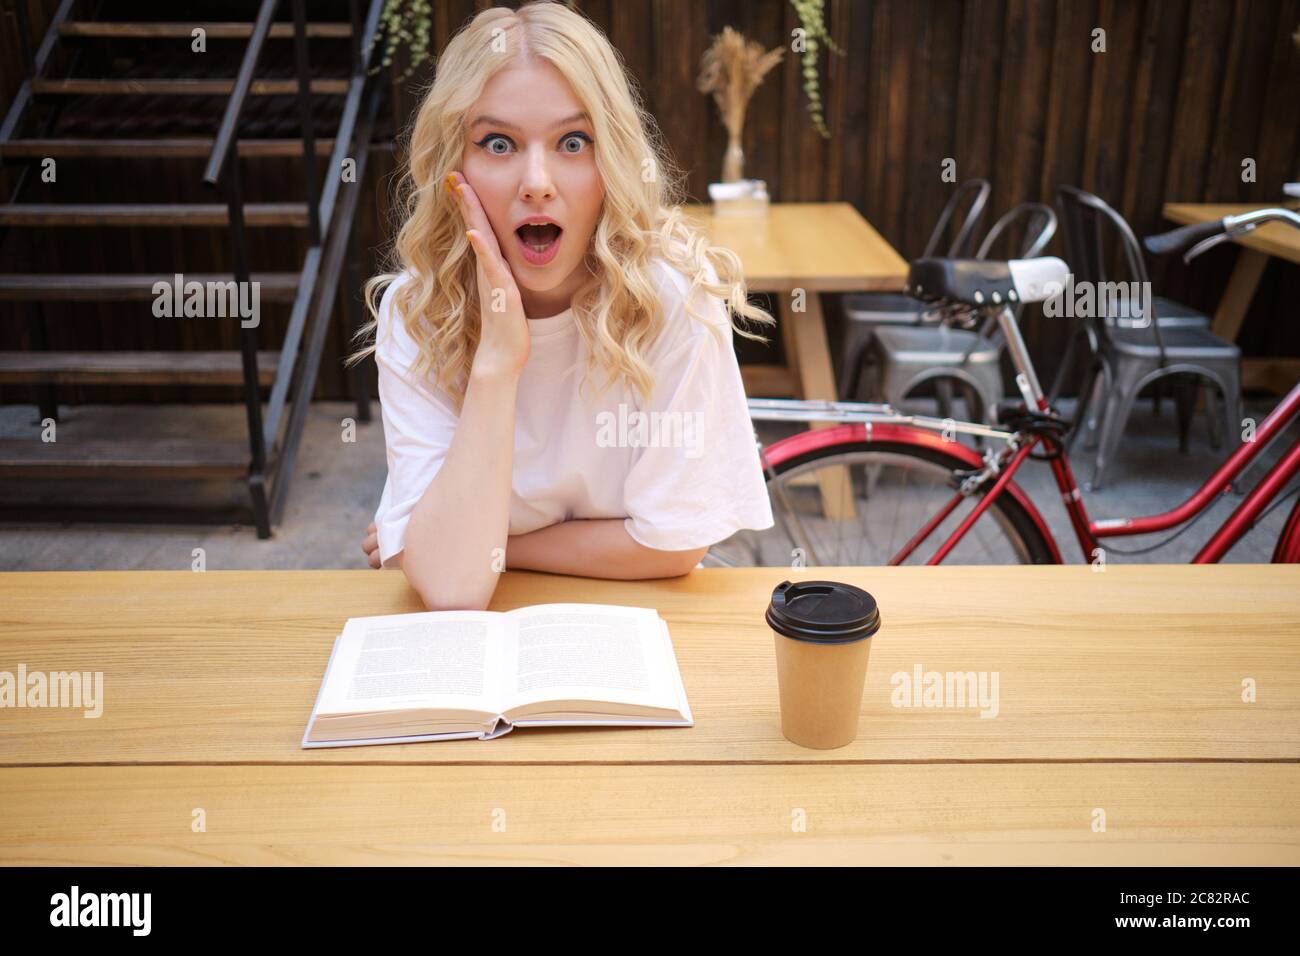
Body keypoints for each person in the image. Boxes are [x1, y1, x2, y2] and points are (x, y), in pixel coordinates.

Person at [349, 1, 774, 610]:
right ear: (453, 166)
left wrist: (483, 543)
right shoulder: (418, 314)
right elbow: (450, 585)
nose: (537, 182)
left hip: (645, 626)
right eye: (498, 143)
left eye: (573, 142)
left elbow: (673, 547)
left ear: (612, 161)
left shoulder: (672, 297)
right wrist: (498, 362)